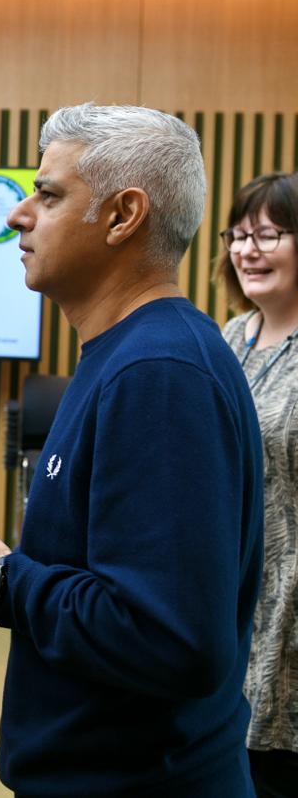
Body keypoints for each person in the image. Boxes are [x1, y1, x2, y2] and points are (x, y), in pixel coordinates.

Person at [0, 103, 264, 796]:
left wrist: (0, 580)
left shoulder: (159, 374)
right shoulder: (131, 354)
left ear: (122, 215)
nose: (19, 215)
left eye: (47, 195)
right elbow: (93, 564)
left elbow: (172, 640)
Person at [217, 172, 298, 797]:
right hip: (232, 592)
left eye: (267, 235)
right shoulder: (227, 338)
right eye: (239, 236)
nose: (247, 250)